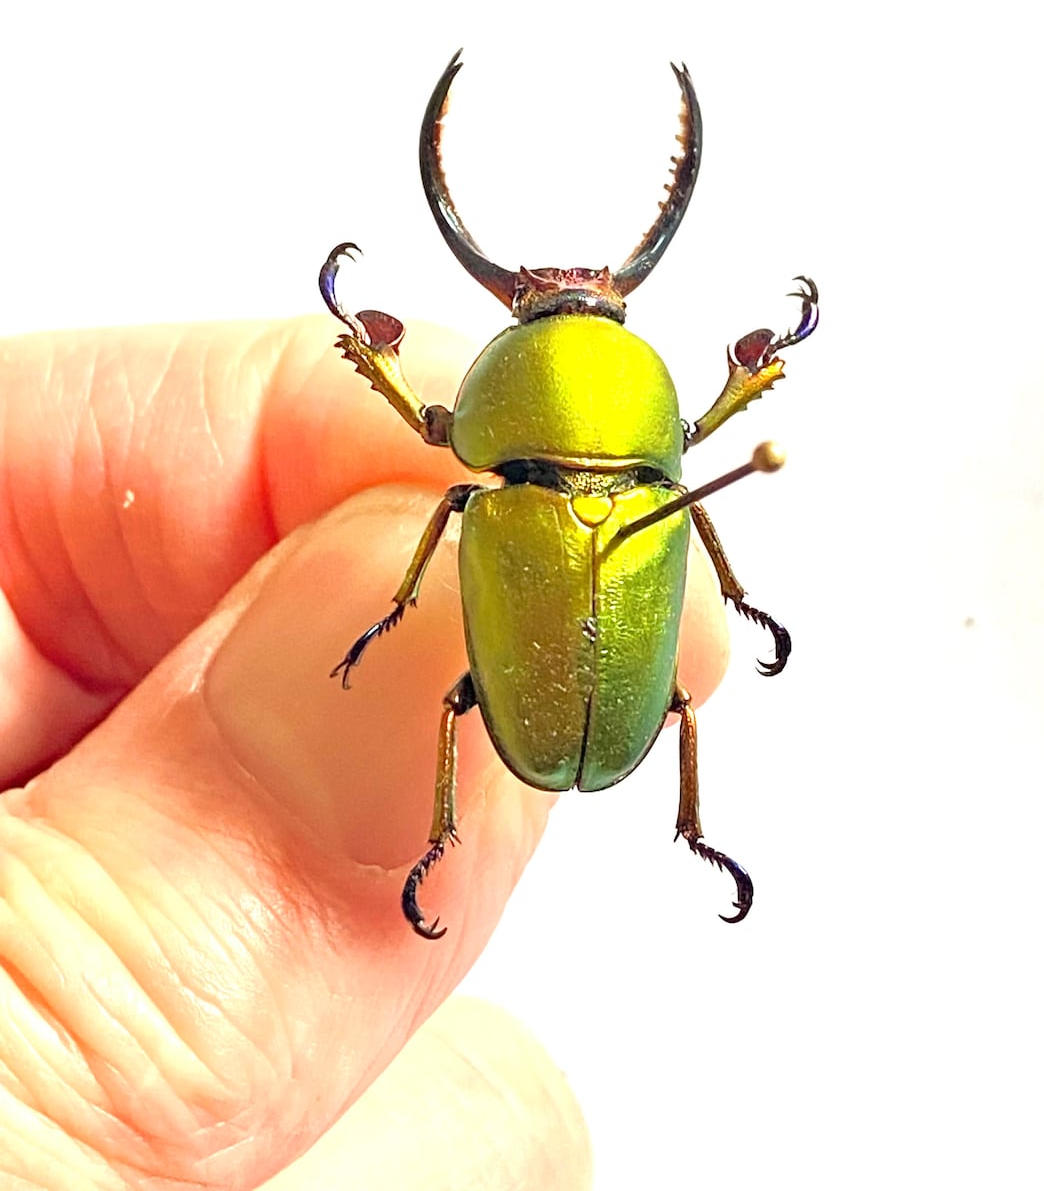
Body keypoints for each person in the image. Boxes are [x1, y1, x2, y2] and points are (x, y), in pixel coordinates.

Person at [0, 315, 728, 1187]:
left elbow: (436, 428)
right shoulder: (664, 505)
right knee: (671, 698)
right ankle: (682, 830)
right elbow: (671, 442)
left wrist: (373, 360)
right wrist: (752, 377)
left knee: (461, 694)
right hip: (606, 703)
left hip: (557, 707)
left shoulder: (483, 498)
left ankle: (456, 832)